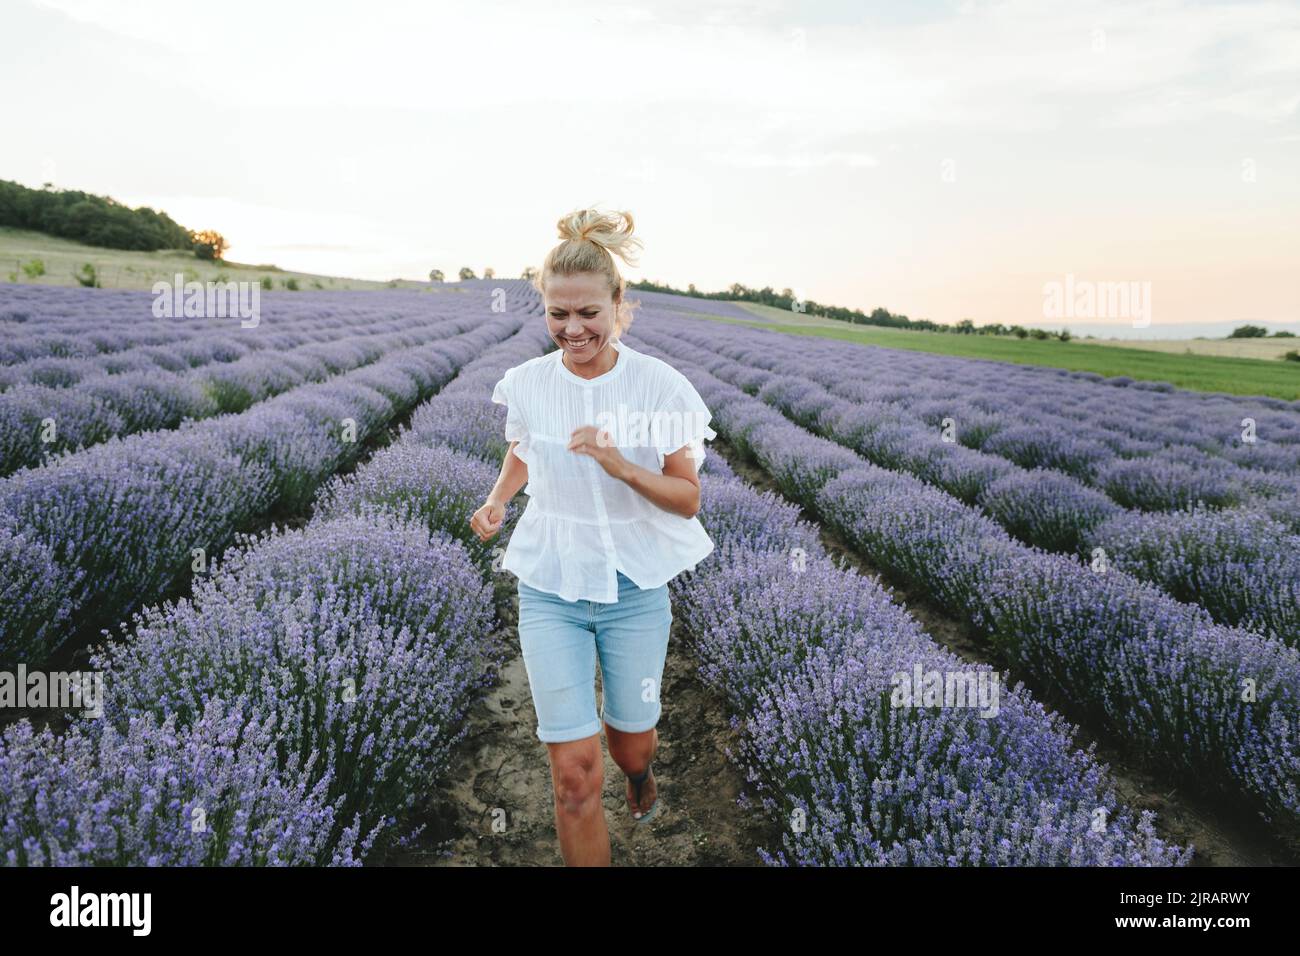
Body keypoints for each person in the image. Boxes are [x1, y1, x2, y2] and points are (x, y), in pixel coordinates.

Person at [469, 207, 716, 866]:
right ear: (544, 310)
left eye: (587, 314)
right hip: (551, 588)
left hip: (635, 590)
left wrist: (619, 464)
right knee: (575, 777)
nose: (572, 329)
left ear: (618, 306)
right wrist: (497, 499)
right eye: (558, 315)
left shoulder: (659, 386)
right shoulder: (527, 383)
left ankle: (640, 773)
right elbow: (524, 449)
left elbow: (687, 498)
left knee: (631, 743)